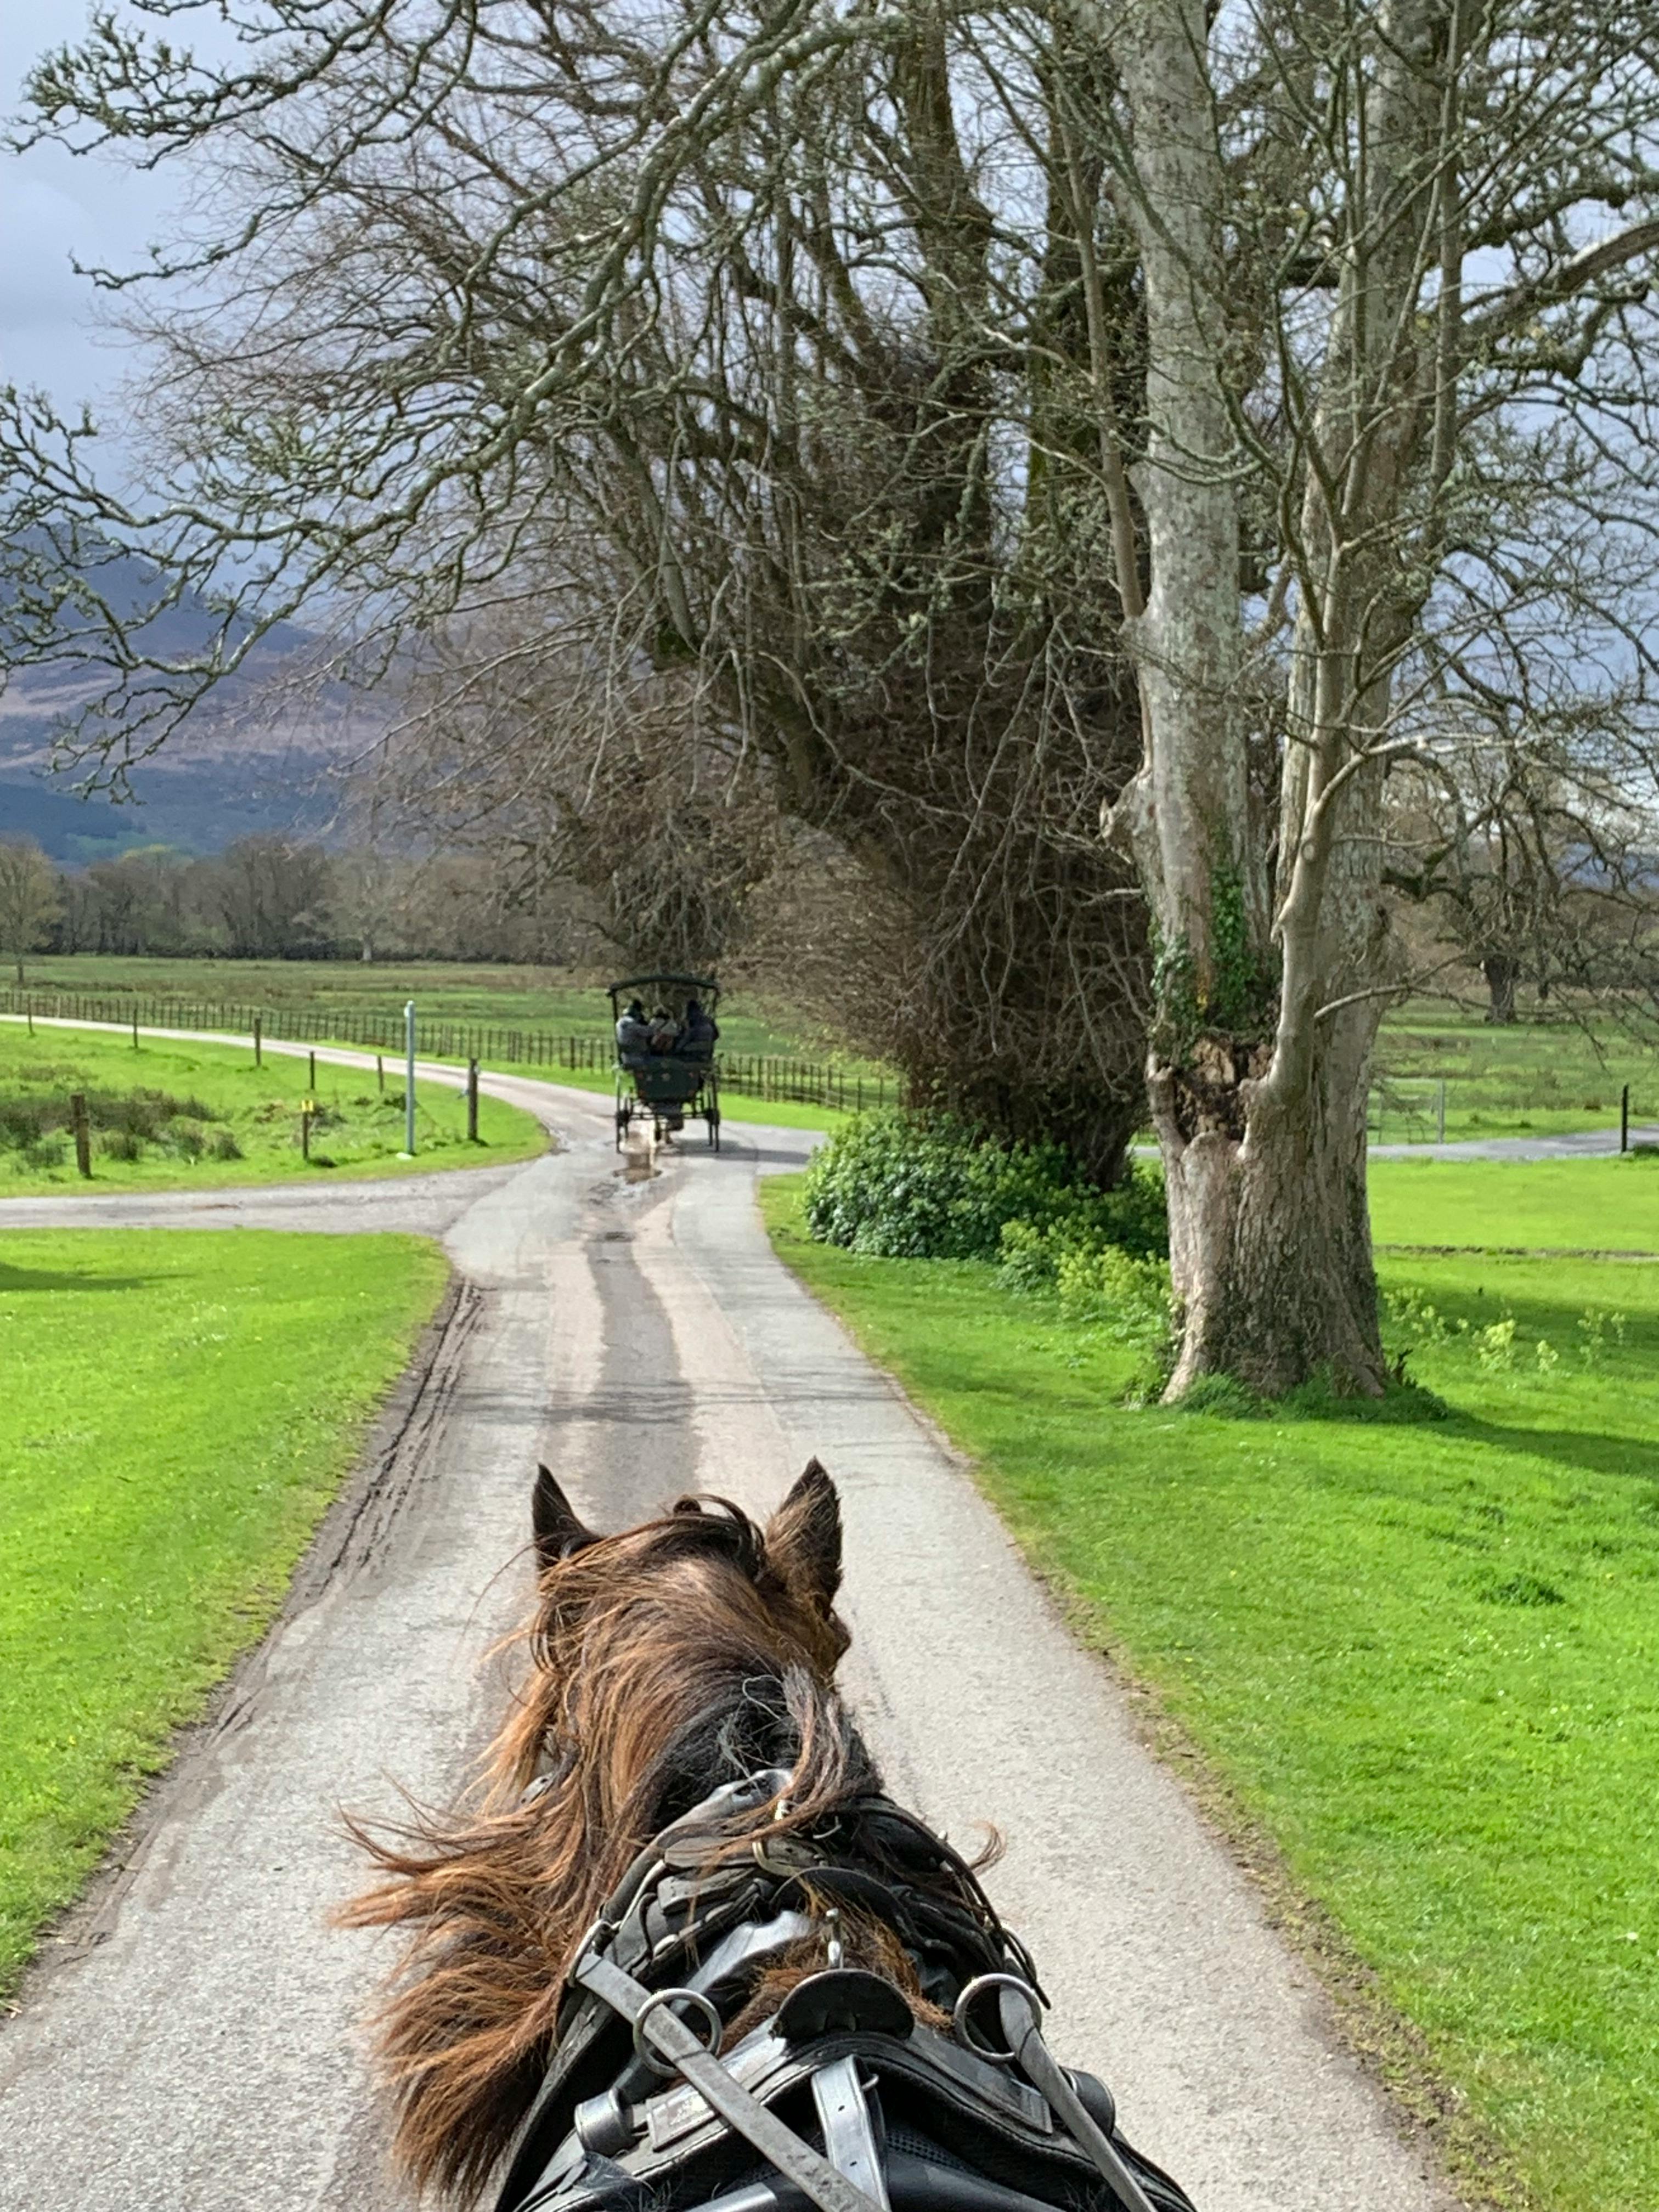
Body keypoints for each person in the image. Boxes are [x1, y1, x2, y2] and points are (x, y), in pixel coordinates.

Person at [681, 996, 718, 1062]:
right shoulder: (709, 1020)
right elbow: (717, 1035)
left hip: (694, 1053)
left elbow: (687, 1037)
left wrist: (676, 1050)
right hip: (707, 1052)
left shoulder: (692, 1020)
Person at [615, 997, 650, 1065]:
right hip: (637, 1054)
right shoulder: (632, 1024)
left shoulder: (620, 1022)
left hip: (625, 1054)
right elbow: (648, 1032)